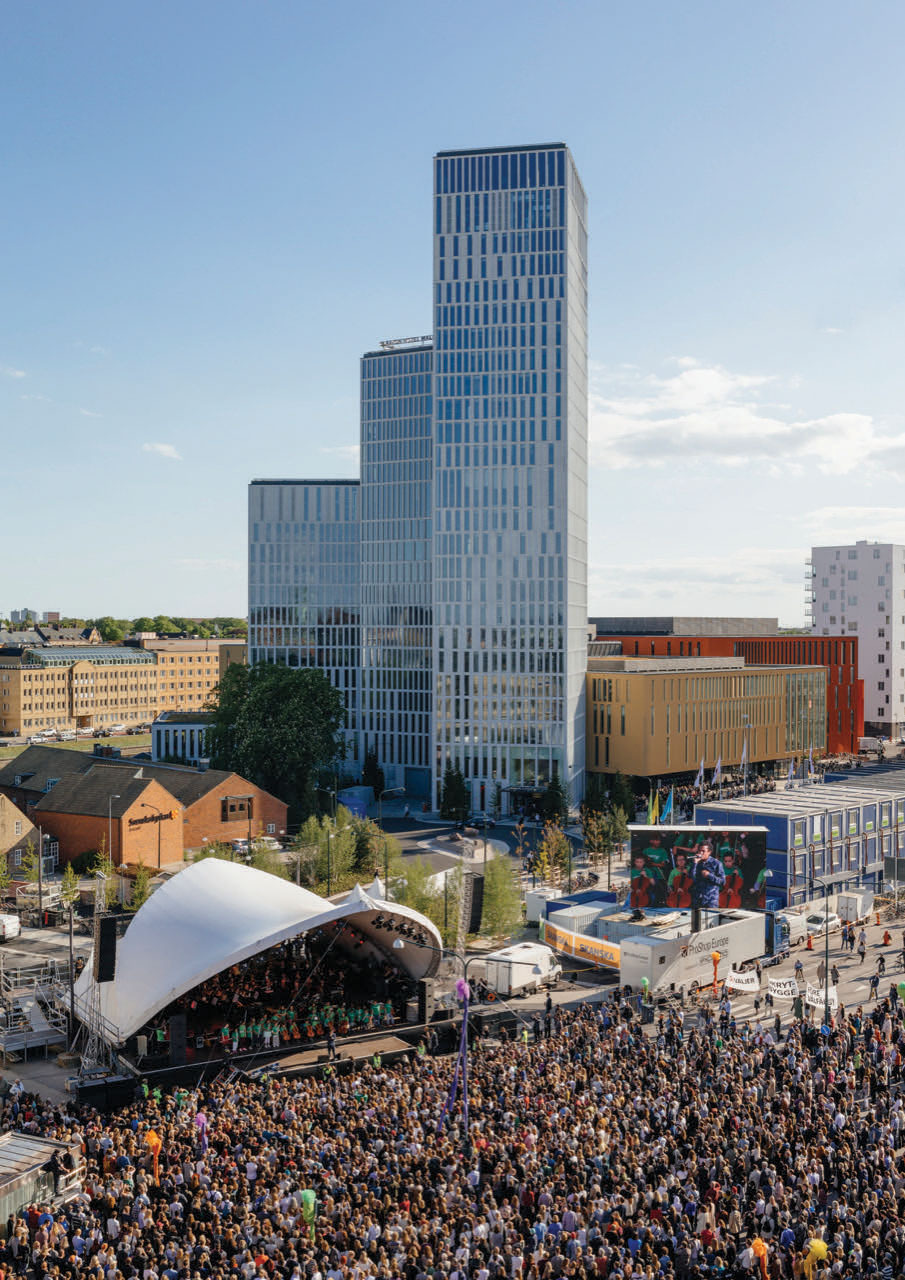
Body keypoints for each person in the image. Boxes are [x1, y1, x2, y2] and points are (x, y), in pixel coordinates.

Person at [691, 839, 726, 909]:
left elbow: (723, 882)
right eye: (699, 850)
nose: (701, 853)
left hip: (711, 899)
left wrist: (709, 875)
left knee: (711, 917)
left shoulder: (717, 863)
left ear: (709, 852)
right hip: (697, 898)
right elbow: (691, 877)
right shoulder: (696, 862)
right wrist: (695, 864)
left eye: (703, 851)